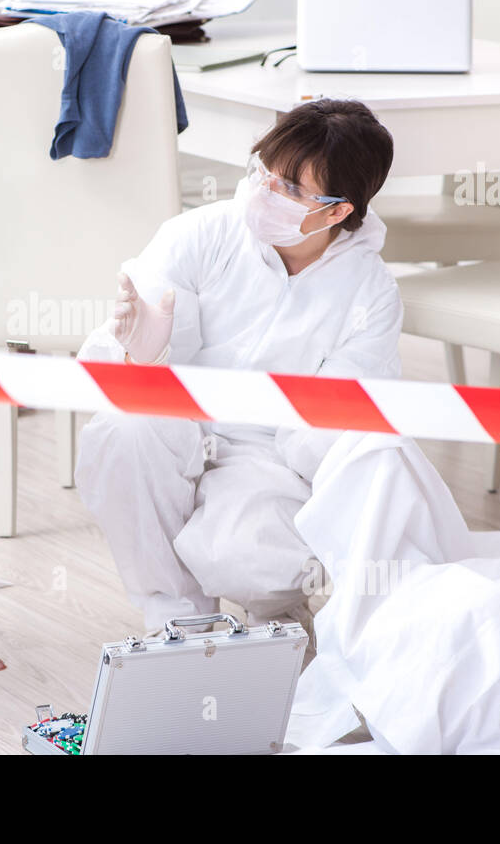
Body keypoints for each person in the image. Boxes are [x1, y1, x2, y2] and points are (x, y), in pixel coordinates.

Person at [74, 99, 399, 645]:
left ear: (338, 211)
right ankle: (178, 623)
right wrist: (141, 357)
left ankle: (274, 613)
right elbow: (112, 361)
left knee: (252, 558)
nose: (265, 194)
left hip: (270, 450)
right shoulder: (201, 234)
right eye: (263, 173)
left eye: (292, 190)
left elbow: (329, 434)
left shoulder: (371, 293)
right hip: (177, 417)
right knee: (122, 431)